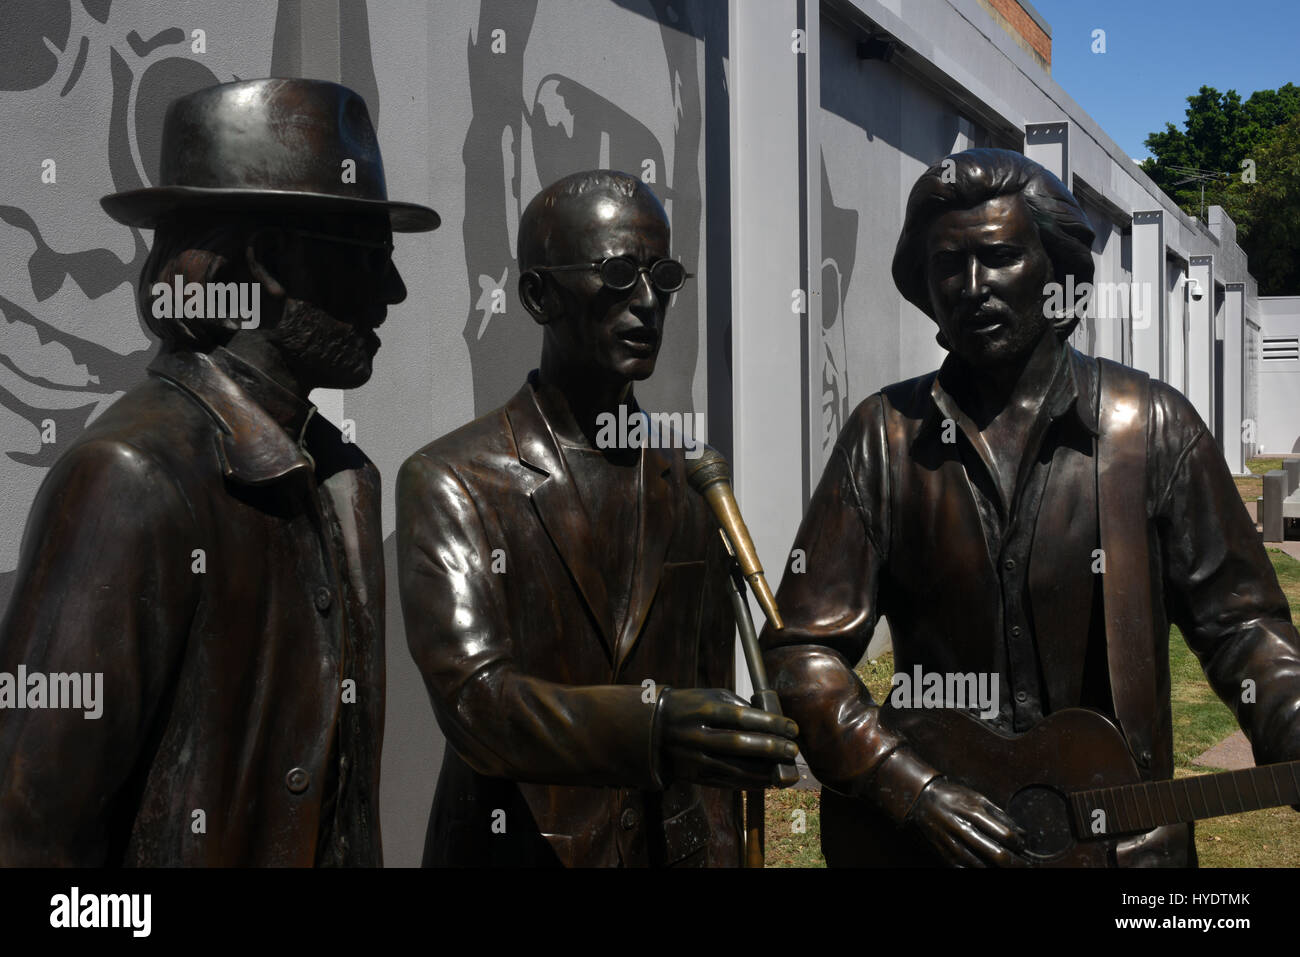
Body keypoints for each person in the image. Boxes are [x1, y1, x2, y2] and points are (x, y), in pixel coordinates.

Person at [762, 148, 1300, 867]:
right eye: (949, 265)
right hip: (935, 848)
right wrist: (910, 786)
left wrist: (1290, 723)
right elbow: (804, 651)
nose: (974, 286)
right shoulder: (885, 438)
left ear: (1058, 274)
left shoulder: (1151, 429)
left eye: (1001, 256)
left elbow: (1242, 628)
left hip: (1121, 849)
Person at [0, 77, 439, 866]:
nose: (395, 290)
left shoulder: (342, 477)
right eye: (369, 256)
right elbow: (27, 834)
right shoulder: (130, 478)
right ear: (267, 262)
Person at [398, 169, 798, 867]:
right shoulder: (453, 481)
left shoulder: (691, 482)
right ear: (537, 295)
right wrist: (654, 728)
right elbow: (478, 704)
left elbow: (710, 711)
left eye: (662, 276)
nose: (647, 302)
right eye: (617, 275)